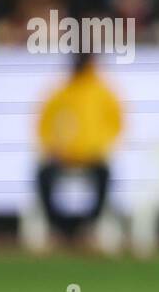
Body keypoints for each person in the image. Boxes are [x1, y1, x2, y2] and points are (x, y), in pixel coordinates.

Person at [36, 51, 123, 243]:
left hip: (91, 156)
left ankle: (89, 225)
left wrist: (98, 147)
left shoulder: (102, 91)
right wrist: (53, 147)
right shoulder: (61, 91)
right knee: (43, 174)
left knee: (103, 174)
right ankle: (58, 227)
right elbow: (44, 123)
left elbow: (116, 123)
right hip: (63, 155)